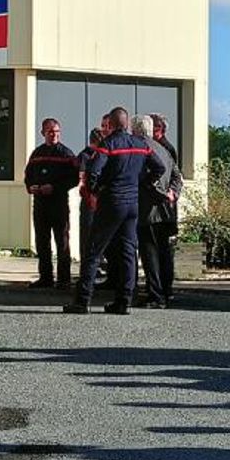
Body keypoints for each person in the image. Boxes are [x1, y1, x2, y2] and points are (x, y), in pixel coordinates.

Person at [64, 107, 164, 315]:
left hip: (111, 201)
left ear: (110, 124)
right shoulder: (141, 144)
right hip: (132, 203)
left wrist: (95, 191)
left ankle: (82, 301)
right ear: (127, 124)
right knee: (128, 251)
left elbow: (93, 171)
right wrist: (142, 182)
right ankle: (124, 301)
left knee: (94, 250)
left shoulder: (108, 145)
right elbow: (159, 167)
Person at [132, 115, 182, 308]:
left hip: (148, 208)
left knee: (149, 253)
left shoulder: (140, 148)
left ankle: (155, 295)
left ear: (135, 130)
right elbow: (177, 176)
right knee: (163, 252)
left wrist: (161, 194)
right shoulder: (163, 149)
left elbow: (146, 178)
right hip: (166, 210)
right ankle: (166, 291)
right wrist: (172, 193)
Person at [24, 118, 79, 289]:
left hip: (58, 203)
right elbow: (28, 175)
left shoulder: (66, 154)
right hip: (40, 204)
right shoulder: (37, 154)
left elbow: (74, 179)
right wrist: (31, 187)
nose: (54, 135)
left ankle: (64, 279)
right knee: (42, 241)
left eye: (56, 132)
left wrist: (55, 188)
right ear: (43, 133)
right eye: (50, 132)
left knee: (62, 241)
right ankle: (45, 277)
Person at [150, 112, 181, 290]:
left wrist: (169, 193)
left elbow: (173, 176)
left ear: (159, 129)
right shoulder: (162, 146)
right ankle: (163, 286)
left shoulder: (164, 148)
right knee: (161, 248)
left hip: (162, 206)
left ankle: (164, 286)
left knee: (161, 248)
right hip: (163, 204)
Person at [77, 127, 103, 269]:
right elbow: (82, 180)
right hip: (90, 201)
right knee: (88, 235)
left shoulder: (95, 155)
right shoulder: (86, 156)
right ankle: (88, 266)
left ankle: (97, 264)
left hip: (99, 200)